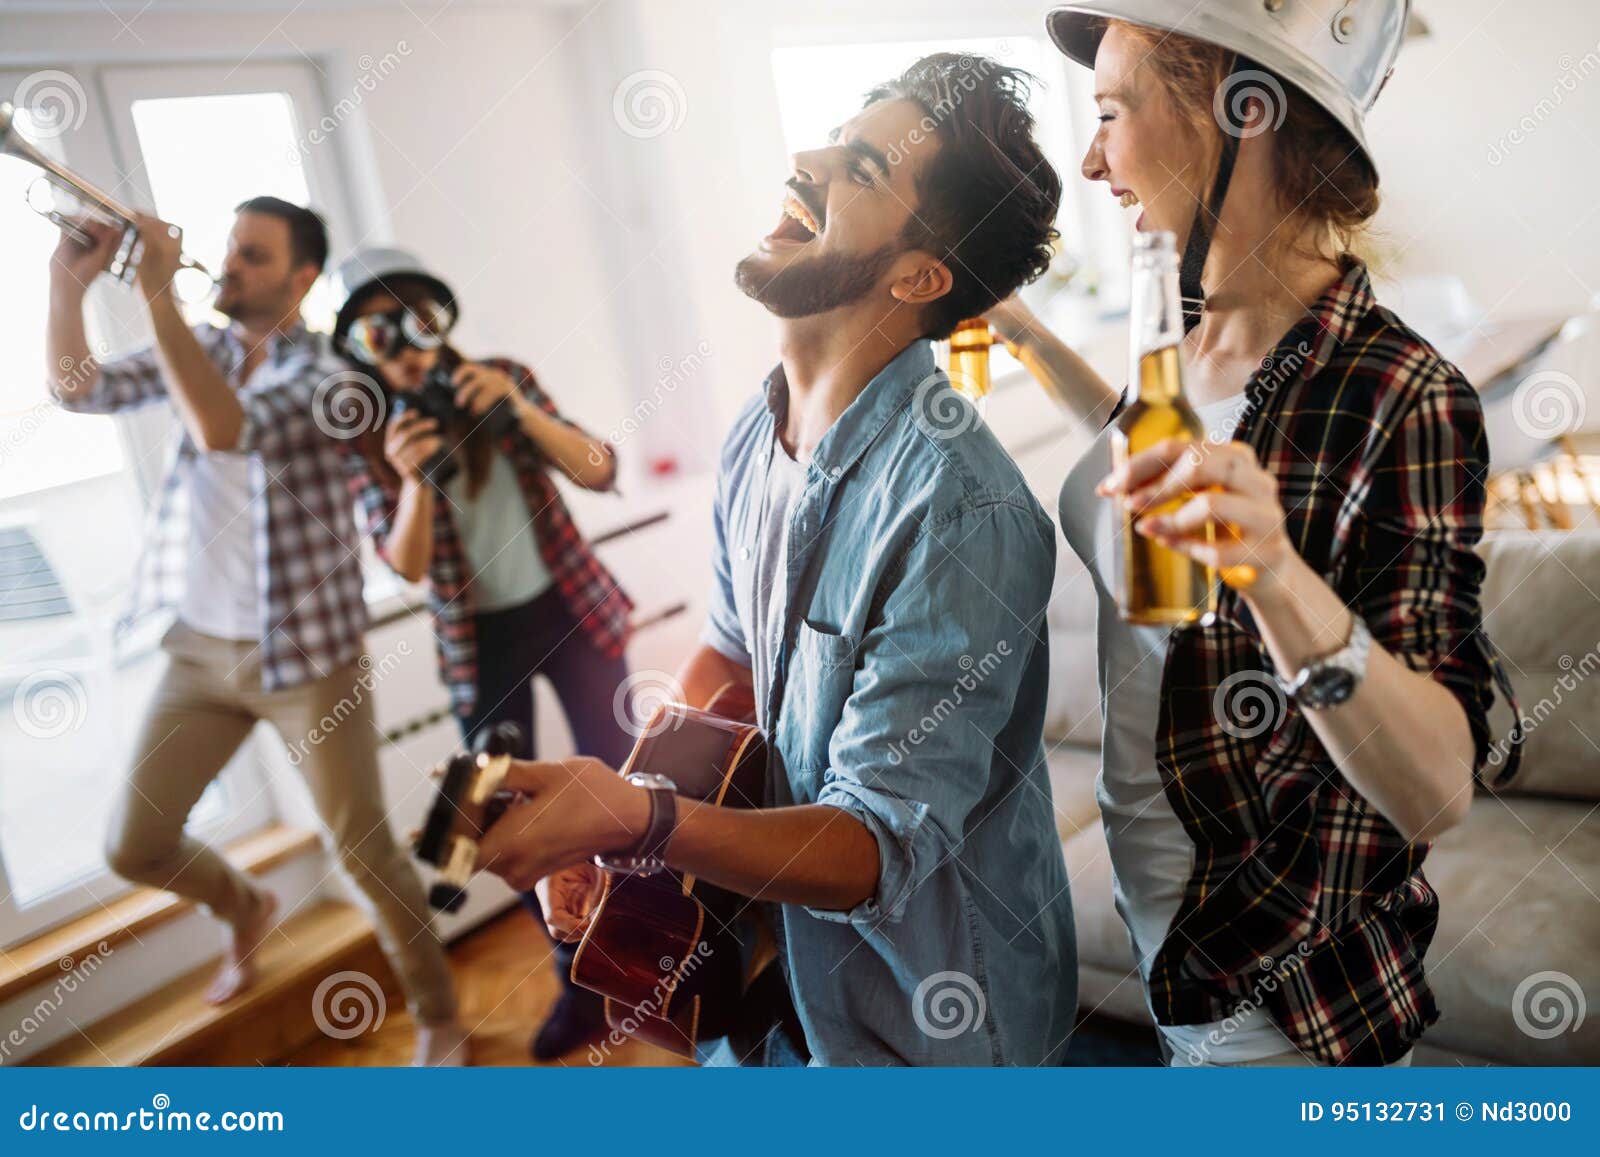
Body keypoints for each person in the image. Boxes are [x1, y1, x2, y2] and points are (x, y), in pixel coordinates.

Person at [471, 53, 1077, 1066]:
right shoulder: (760, 432)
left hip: (932, 1027)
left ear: (919, 276)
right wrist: (614, 838)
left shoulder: (960, 509)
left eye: (862, 166)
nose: (805, 161)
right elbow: (729, 667)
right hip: (772, 982)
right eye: (833, 138)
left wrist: (641, 815)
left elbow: (870, 847)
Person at [996, 0, 1521, 1066]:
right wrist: (1018, 327)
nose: (1091, 159)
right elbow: (1149, 453)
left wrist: (1274, 573)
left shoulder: (1403, 393)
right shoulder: (1179, 335)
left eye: (1109, 112)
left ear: (1240, 113)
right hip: (1157, 933)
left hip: (1273, 989)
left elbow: (1440, 786)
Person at [47, 198, 468, 1067]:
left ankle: (440, 1015)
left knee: (365, 853)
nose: (228, 265)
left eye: (252, 255)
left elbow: (222, 430)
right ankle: (241, 905)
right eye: (230, 249)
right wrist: (68, 279)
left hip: (309, 659)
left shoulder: (330, 379)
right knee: (135, 843)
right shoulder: (199, 348)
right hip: (199, 649)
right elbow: (76, 388)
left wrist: (156, 294)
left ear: (300, 278)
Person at [337, 248, 635, 1061]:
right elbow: (402, 565)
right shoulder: (370, 440)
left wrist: (516, 411)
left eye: (418, 320)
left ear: (442, 318)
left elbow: (601, 469)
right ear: (357, 349)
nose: (402, 343)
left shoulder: (502, 377)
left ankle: (654, 955)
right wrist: (413, 478)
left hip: (571, 610)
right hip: (479, 645)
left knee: (622, 788)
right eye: (377, 332)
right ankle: (579, 987)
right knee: (507, 817)